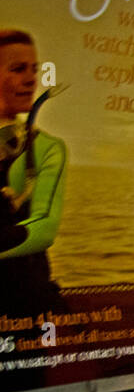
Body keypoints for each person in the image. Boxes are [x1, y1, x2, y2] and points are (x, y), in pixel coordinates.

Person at [0, 29, 66, 317]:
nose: (31, 79)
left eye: (34, 70)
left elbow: (40, 232)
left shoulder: (42, 147)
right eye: (18, 69)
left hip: (26, 311)